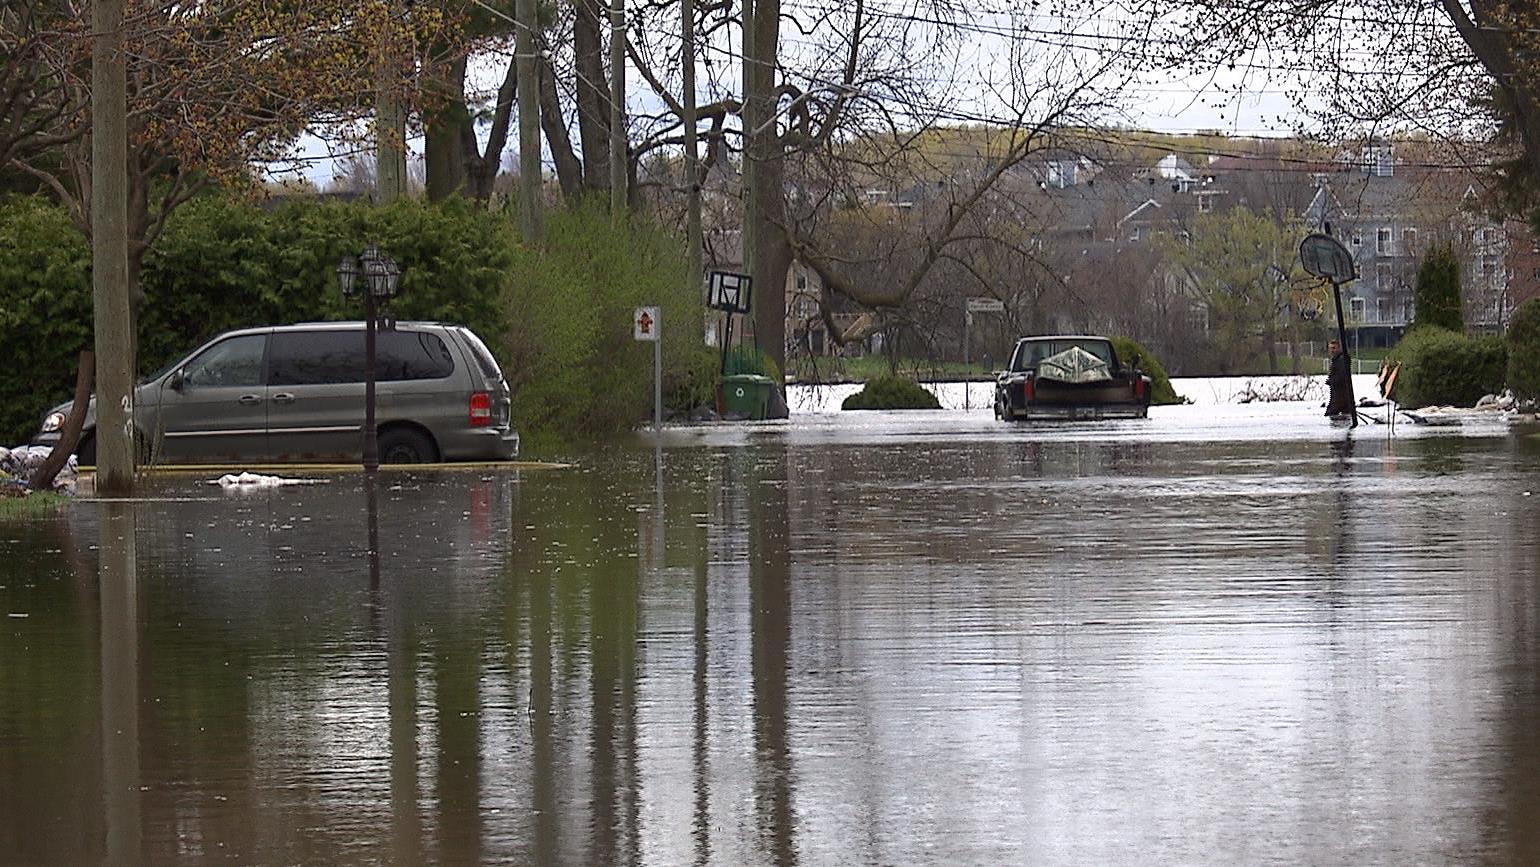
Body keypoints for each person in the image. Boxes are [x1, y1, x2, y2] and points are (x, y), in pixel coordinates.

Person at [1325, 338, 1355, 417]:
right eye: (1330, 348)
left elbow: (1342, 376)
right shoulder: (1336, 360)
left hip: (1341, 396)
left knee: (1331, 414)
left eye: (1334, 348)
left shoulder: (1342, 359)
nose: (1332, 351)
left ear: (1339, 348)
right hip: (1337, 395)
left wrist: (1332, 381)